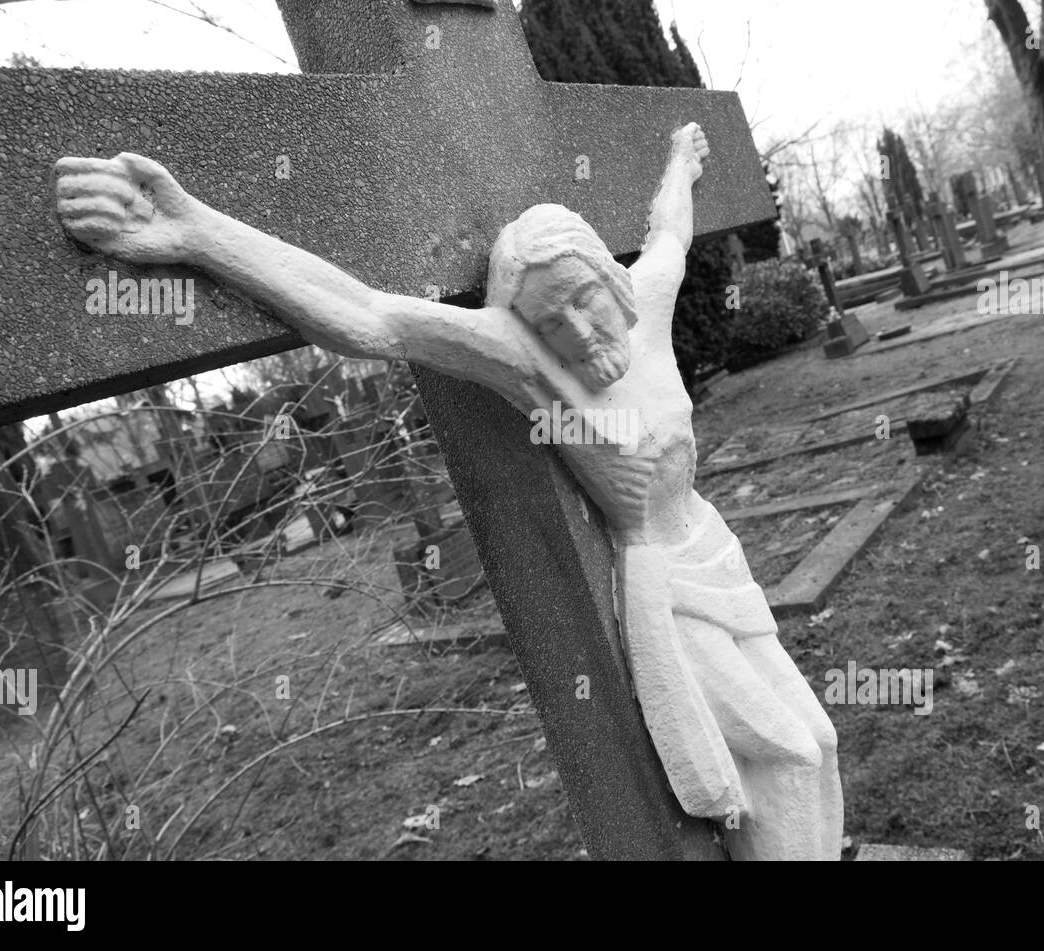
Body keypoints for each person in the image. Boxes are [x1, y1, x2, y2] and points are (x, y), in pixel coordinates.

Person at [55, 122, 841, 860]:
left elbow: (669, 227)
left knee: (823, 741)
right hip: (665, 586)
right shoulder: (530, 364)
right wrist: (195, 231)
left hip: (713, 548)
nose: (578, 329)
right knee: (787, 753)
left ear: (609, 273)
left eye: (584, 296)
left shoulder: (652, 302)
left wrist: (681, 160)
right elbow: (369, 315)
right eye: (550, 317)